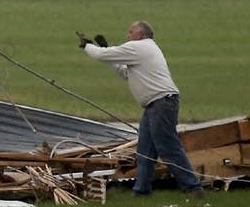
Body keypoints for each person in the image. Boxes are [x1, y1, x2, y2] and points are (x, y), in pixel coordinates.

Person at [80, 21, 203, 196]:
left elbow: (100, 56)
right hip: (155, 105)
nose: (128, 35)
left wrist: (88, 46)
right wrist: (107, 51)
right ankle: (142, 191)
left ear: (141, 34)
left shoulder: (140, 47)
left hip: (162, 103)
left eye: (130, 32)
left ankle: (192, 187)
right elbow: (125, 73)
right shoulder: (143, 50)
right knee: (145, 151)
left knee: (168, 147)